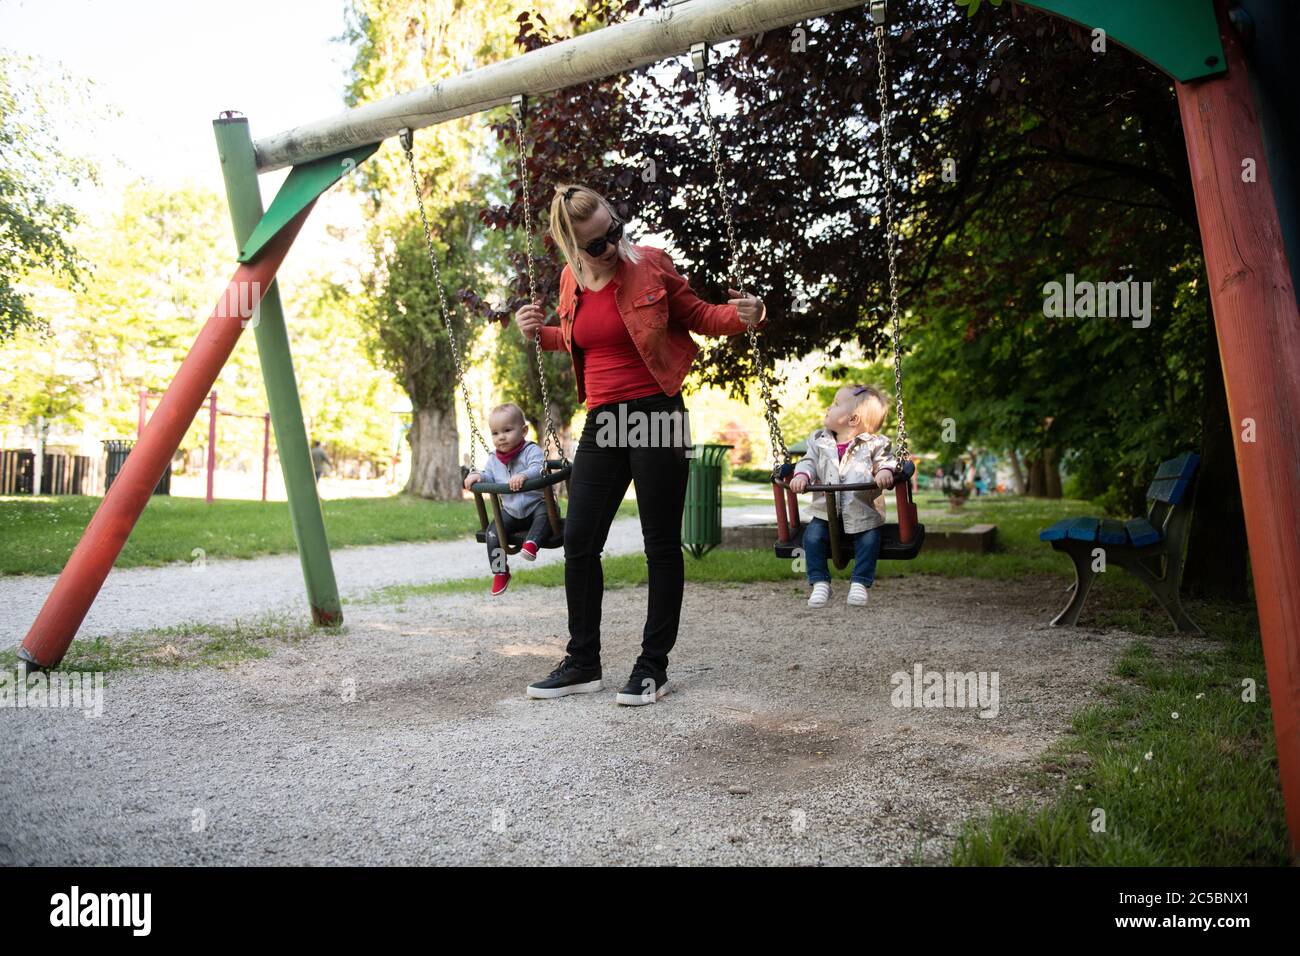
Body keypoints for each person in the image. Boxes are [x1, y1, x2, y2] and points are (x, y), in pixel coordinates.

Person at [513, 183, 765, 705]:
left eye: (614, 229)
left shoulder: (651, 264)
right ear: (573, 246)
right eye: (598, 243)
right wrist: (538, 331)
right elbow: (579, 337)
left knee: (659, 545)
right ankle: (583, 662)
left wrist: (747, 315)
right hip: (604, 421)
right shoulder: (569, 280)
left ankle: (653, 666)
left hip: (657, 413)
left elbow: (699, 315)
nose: (612, 243)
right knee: (580, 541)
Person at [788, 385, 897, 608]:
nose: (829, 407)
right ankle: (819, 582)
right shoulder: (819, 440)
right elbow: (808, 462)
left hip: (862, 510)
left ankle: (859, 582)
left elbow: (885, 461)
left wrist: (885, 471)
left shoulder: (874, 444)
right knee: (811, 538)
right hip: (825, 512)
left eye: (836, 404)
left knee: (870, 539)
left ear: (853, 419)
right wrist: (802, 475)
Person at [462, 403, 550, 596]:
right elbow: (489, 476)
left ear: (524, 430)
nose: (501, 437)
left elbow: (539, 467)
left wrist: (525, 475)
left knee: (545, 516)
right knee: (492, 534)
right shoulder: (494, 458)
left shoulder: (531, 450)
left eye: (507, 430)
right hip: (511, 512)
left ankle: (531, 543)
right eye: (495, 433)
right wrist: (478, 476)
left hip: (536, 506)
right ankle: (500, 570)